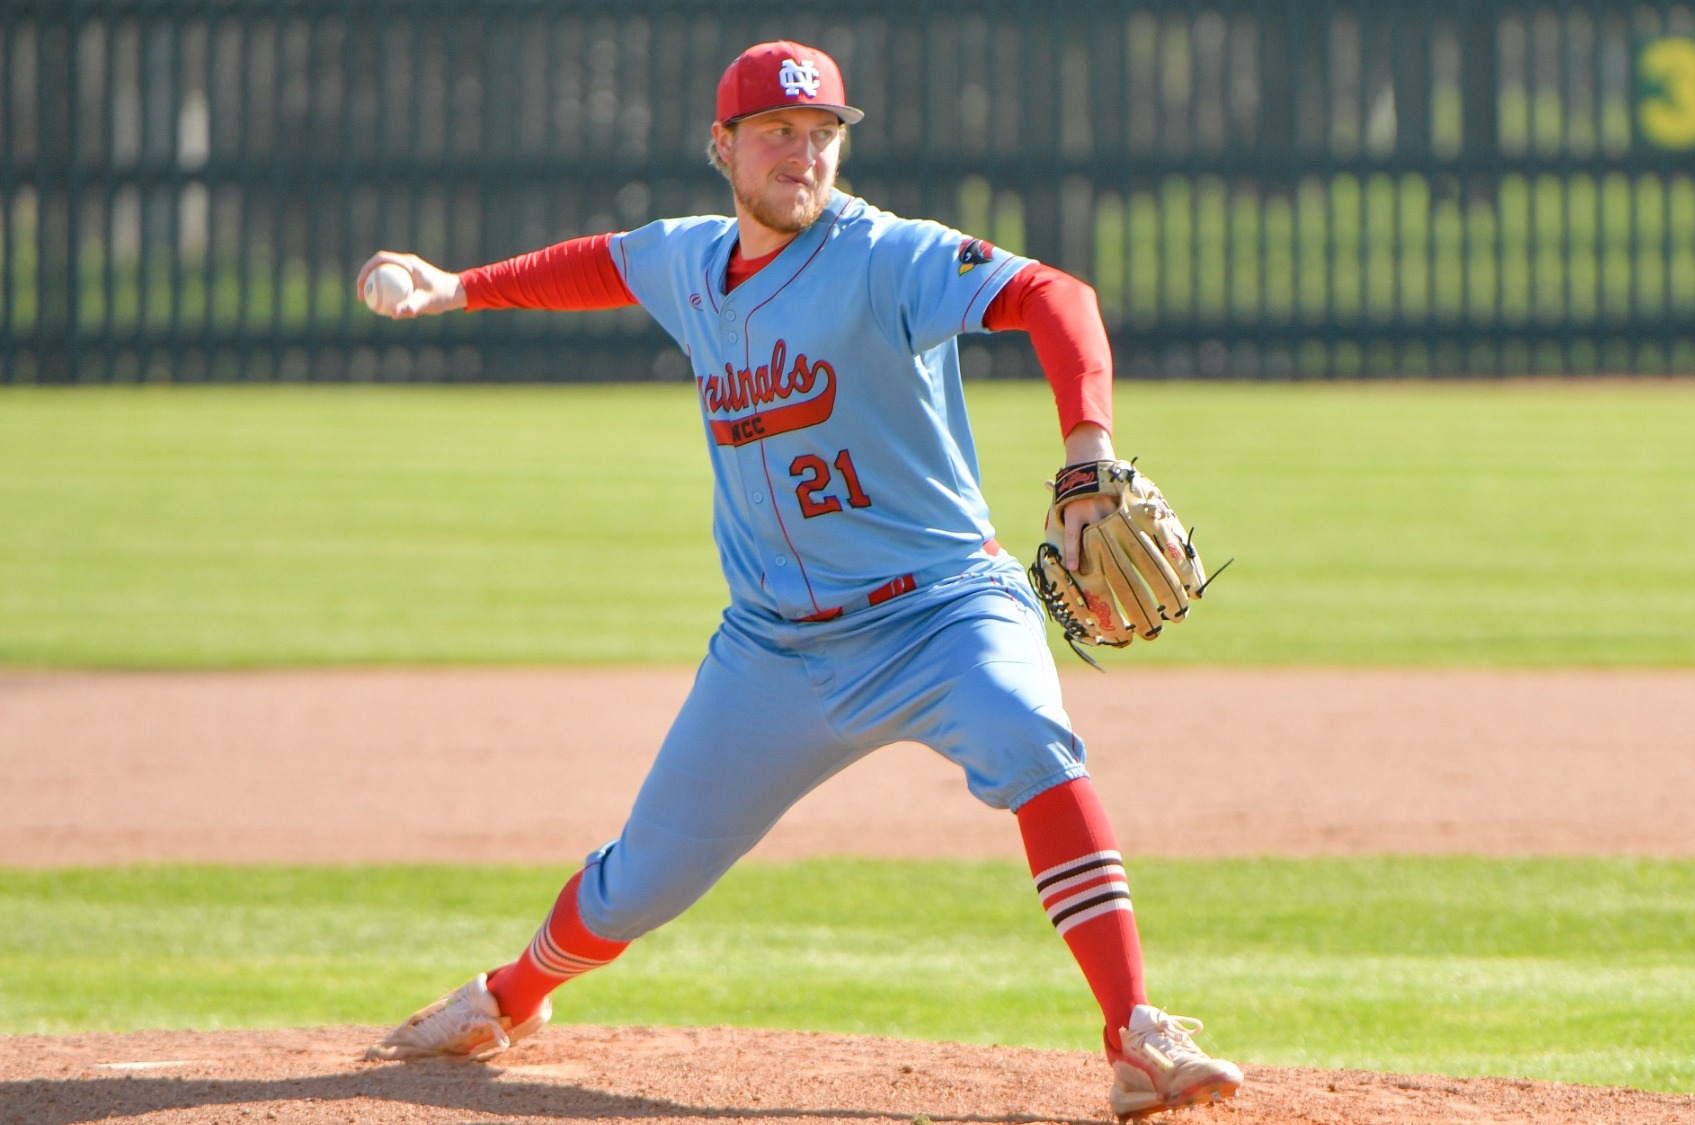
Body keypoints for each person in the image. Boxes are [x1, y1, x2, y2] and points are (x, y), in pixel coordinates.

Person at [355, 40, 1240, 1122]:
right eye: (777, 133)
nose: (802, 154)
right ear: (721, 146)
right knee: (642, 881)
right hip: (773, 649)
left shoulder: (886, 257)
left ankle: (1134, 1036)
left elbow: (1056, 295)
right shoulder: (689, 261)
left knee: (1028, 738)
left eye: (821, 134)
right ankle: (508, 995)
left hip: (940, 612)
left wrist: (1086, 451)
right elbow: (600, 263)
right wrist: (459, 289)